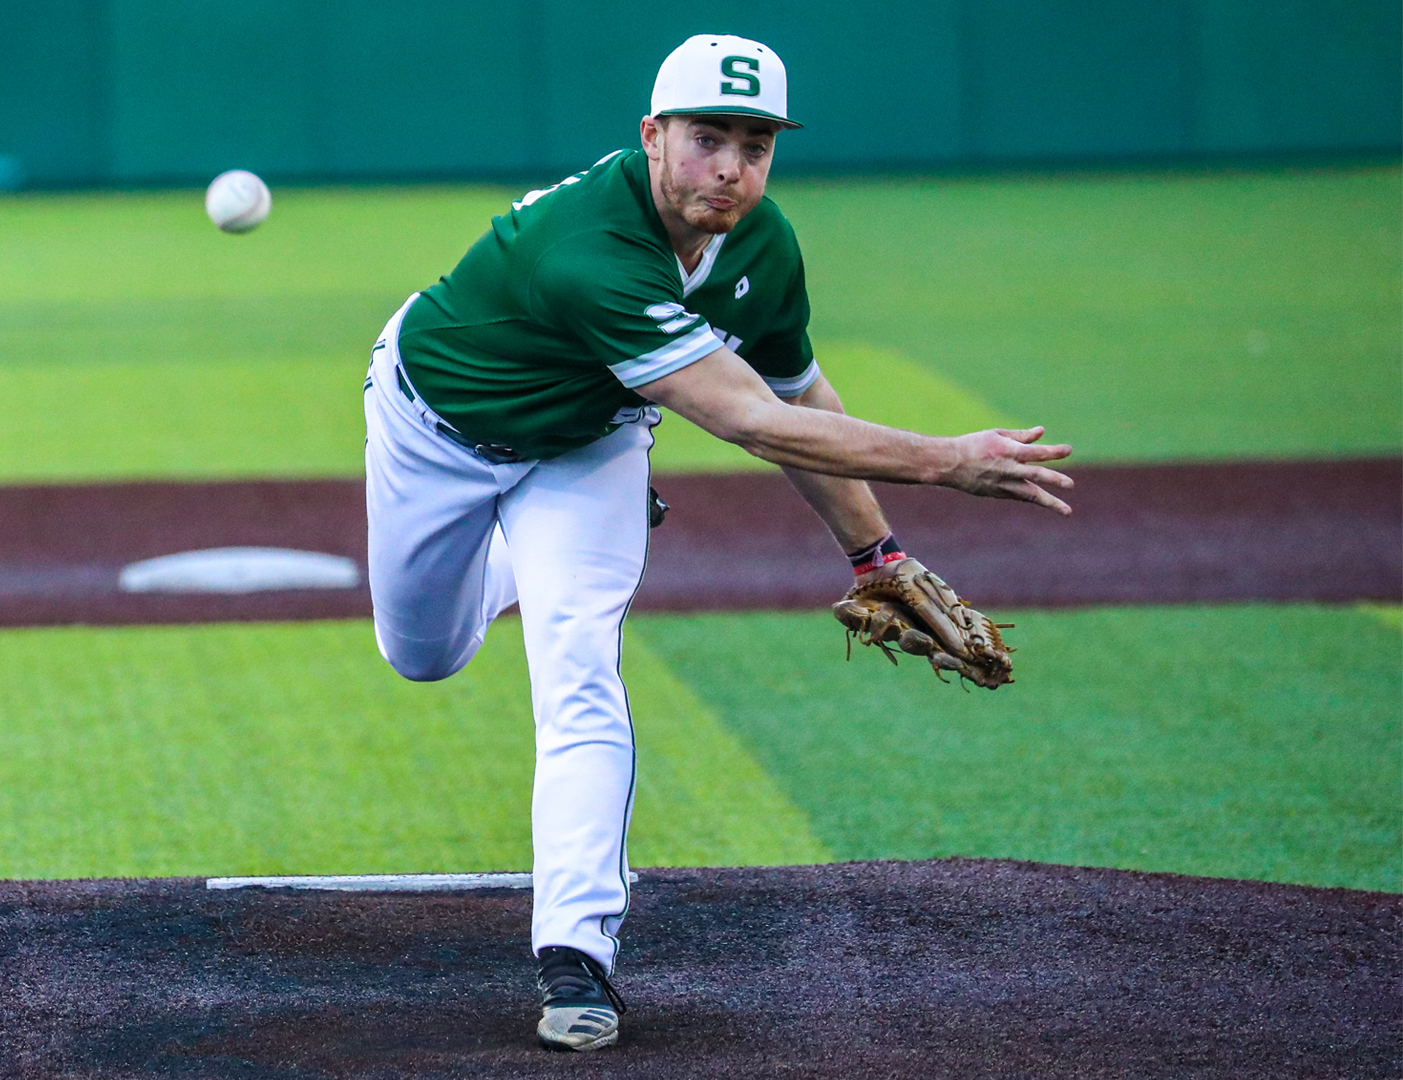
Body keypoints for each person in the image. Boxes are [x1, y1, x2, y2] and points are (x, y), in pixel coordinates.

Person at [361, 33, 1072, 1051]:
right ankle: (516, 558)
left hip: (590, 446)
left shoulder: (762, 245)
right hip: (435, 428)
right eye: (706, 139)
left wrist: (875, 555)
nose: (731, 168)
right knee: (422, 656)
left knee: (579, 669)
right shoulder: (588, 247)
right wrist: (948, 458)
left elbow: (796, 394)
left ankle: (577, 956)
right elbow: (751, 424)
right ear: (652, 137)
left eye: (755, 143)